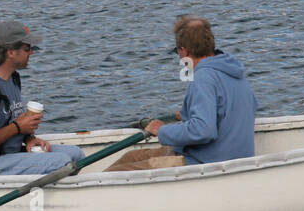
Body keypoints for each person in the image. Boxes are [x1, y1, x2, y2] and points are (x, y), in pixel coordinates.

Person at [108, 15, 257, 171]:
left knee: (116, 173)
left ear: (184, 51)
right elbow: (230, 110)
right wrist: (187, 115)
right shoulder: (233, 70)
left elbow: (203, 130)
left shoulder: (203, 77)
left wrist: (161, 130)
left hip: (208, 161)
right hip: (234, 156)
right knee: (131, 157)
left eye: (176, 51)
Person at [0, 21, 84, 176]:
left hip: (11, 153)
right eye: (27, 48)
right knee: (62, 162)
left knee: (77, 155)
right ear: (10, 52)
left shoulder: (12, 78)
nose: (31, 52)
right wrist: (18, 128)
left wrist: (29, 138)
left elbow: (9, 121)